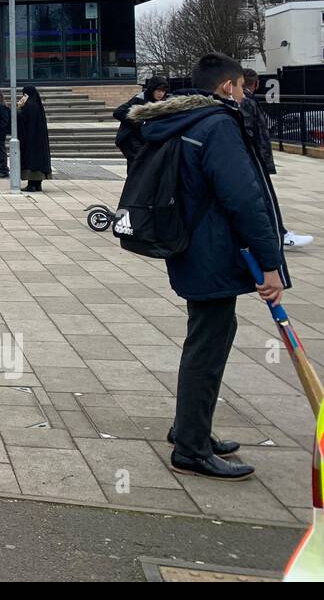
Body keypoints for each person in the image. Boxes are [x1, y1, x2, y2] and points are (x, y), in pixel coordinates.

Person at [130, 53, 290, 481]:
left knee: (208, 336)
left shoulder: (182, 122)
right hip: (213, 250)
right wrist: (271, 264)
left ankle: (190, 428)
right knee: (208, 344)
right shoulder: (217, 125)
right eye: (241, 87)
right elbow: (244, 199)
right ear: (226, 87)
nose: (244, 95)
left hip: (190, 245)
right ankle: (191, 448)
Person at [241, 69, 313, 249]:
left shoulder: (245, 102)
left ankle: (278, 232)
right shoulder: (247, 102)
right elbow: (250, 132)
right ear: (256, 84)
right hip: (254, 159)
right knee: (266, 198)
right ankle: (280, 234)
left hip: (252, 159)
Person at [113, 76, 169, 168]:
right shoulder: (140, 98)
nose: (161, 94)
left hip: (142, 139)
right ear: (152, 89)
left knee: (137, 167)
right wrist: (139, 122)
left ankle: (133, 182)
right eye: (158, 90)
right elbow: (118, 112)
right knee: (139, 165)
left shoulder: (160, 102)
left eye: (163, 91)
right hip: (130, 137)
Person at [17, 85, 52, 192]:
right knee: (38, 159)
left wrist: (19, 108)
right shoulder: (37, 105)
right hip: (40, 140)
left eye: (24, 95)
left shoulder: (29, 106)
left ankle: (31, 184)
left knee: (31, 160)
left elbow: (23, 122)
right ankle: (37, 183)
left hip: (30, 139)